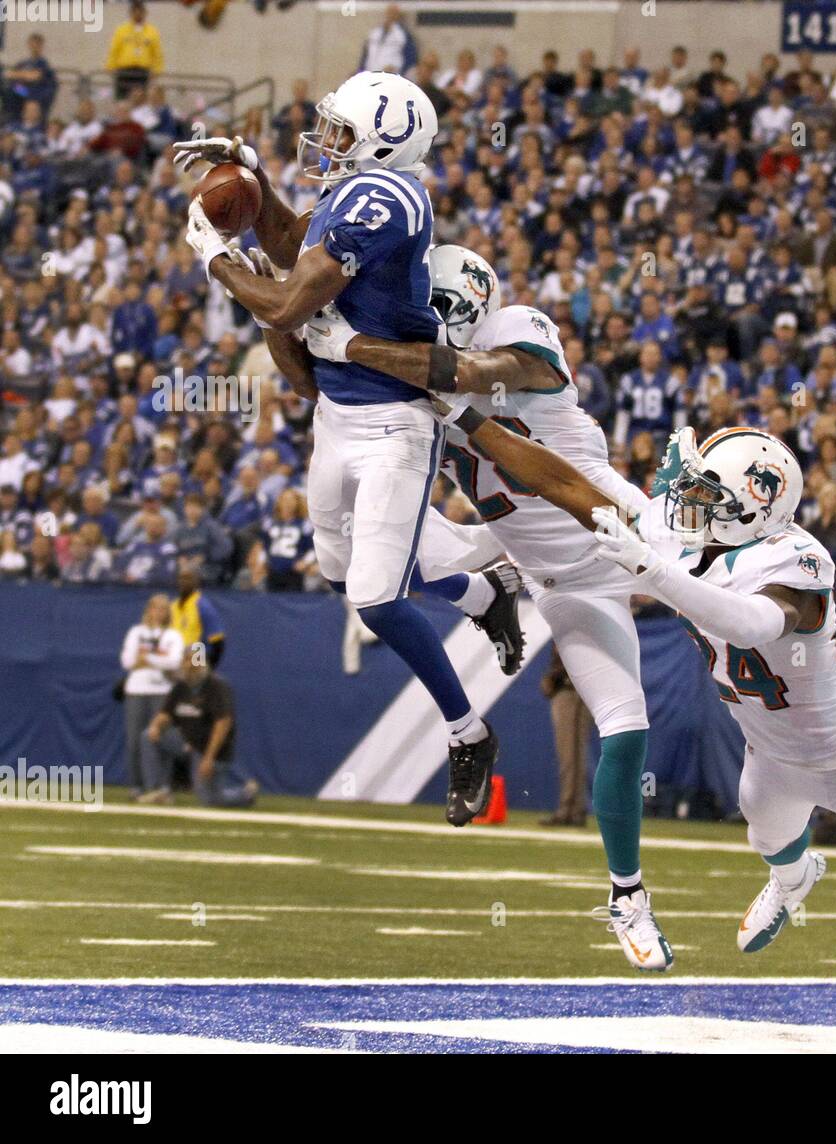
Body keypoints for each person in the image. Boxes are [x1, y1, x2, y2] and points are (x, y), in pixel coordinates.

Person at [416, 412, 836, 1052]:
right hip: (770, 754)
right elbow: (564, 480)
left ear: (758, 505)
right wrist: (470, 422)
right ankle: (797, 874)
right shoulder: (687, 533)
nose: (691, 504)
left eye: (710, 493)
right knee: (768, 840)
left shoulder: (798, 560)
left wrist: (653, 570)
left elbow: (752, 624)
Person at [304, 247, 672, 972]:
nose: (419, 324)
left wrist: (350, 343)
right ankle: (628, 898)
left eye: (433, 312)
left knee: (739, 610)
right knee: (624, 727)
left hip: (619, 522)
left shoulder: (516, 332)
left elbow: (477, 375)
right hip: (555, 577)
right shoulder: (403, 385)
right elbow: (316, 320)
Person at [173, 74, 517, 827]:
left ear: (385, 141)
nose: (325, 142)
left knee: (376, 596)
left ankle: (469, 732)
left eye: (340, 131)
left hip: (394, 424)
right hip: (337, 413)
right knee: (344, 568)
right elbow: (301, 249)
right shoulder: (357, 191)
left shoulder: (388, 197)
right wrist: (257, 189)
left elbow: (293, 298)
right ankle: (488, 594)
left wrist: (214, 254)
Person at [141, 657, 257, 808]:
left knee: (211, 800)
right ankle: (159, 790)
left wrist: (209, 758)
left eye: (192, 665)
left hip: (210, 749)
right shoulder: (181, 687)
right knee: (147, 736)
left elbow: (223, 723)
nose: (188, 668)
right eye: (186, 663)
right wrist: (155, 726)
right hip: (186, 741)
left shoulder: (217, 686)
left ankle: (245, 794)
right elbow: (166, 713)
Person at [119, 594, 184, 797]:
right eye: (156, 608)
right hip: (136, 690)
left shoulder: (174, 635)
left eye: (164, 609)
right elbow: (127, 661)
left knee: (160, 737)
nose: (159, 612)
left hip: (163, 692)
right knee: (134, 740)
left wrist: (146, 658)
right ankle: (137, 785)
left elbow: (174, 662)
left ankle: (161, 784)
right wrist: (157, 660)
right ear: (148, 610)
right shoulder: (135, 632)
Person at [540, 648, 591, 827]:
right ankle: (570, 808)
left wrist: (558, 675)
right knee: (568, 754)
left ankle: (572, 810)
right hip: (565, 686)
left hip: (574, 687)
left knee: (572, 754)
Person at [106, 2, 164, 100]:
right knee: (122, 100)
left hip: (142, 72)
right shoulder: (121, 30)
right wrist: (110, 67)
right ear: (131, 13)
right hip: (124, 71)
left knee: (140, 100)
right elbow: (114, 50)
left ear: (145, 13)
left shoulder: (152, 32)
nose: (138, 15)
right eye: (135, 12)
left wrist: (157, 71)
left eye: (140, 12)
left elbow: (157, 53)